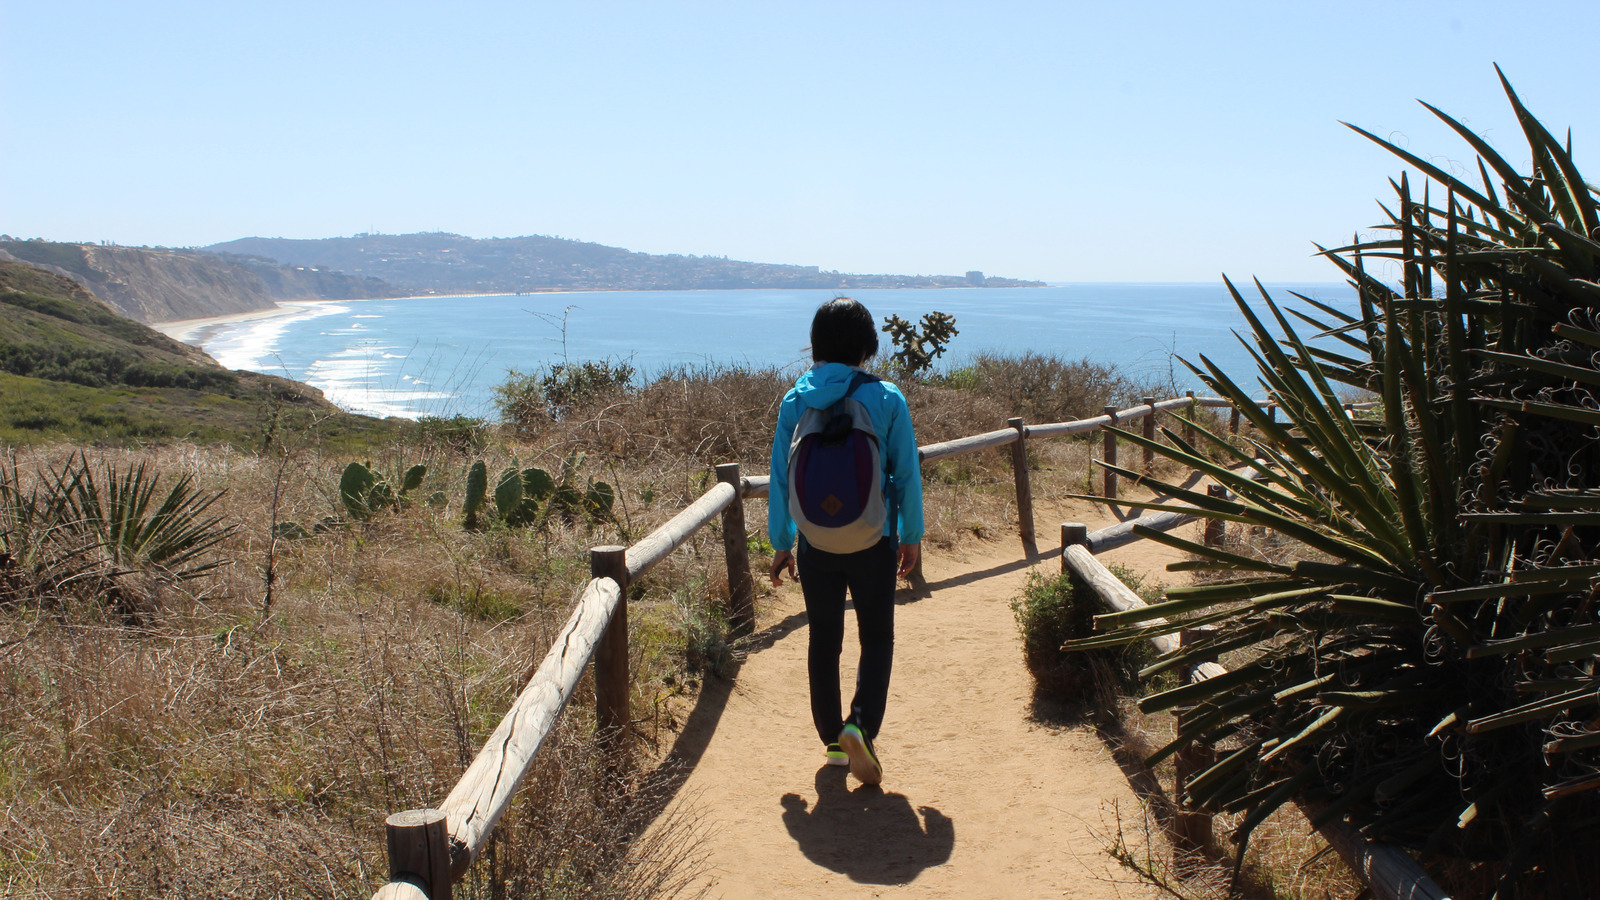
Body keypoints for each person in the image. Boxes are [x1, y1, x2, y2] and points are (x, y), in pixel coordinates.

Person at [768, 297, 923, 786]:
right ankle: (861, 723)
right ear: (865, 346)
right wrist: (911, 537)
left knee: (824, 641)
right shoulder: (886, 397)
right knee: (876, 638)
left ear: (816, 344)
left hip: (816, 544)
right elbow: (906, 476)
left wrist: (782, 542)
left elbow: (780, 478)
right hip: (873, 539)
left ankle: (833, 741)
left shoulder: (795, 400)